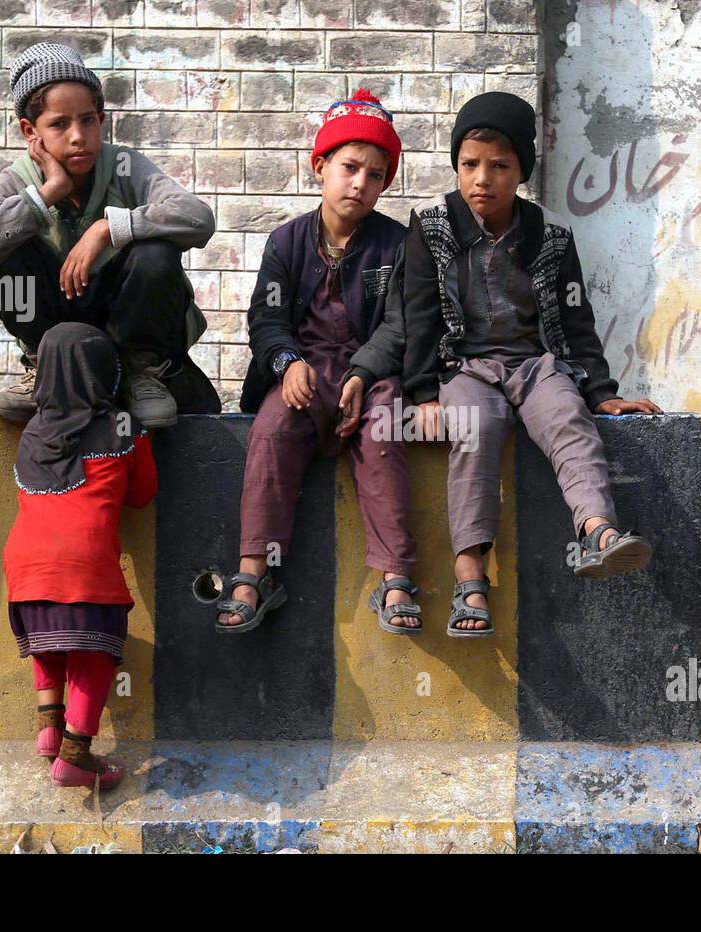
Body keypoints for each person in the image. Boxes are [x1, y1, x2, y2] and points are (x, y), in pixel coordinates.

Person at [401, 91, 662, 638]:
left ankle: (598, 532)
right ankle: (470, 577)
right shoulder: (430, 229)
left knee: (569, 419)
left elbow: (576, 321)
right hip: (463, 368)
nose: (483, 179)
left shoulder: (550, 237)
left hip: (534, 364)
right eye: (470, 164)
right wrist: (424, 392)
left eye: (500, 166)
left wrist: (600, 391)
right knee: (476, 431)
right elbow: (418, 315)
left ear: (522, 170)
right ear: (456, 165)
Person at [217, 89, 420, 635]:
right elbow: (266, 320)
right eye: (350, 167)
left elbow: (401, 325)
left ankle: (395, 577)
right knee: (273, 428)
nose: (360, 182)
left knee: (384, 430)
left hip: (369, 375)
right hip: (304, 376)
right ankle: (253, 574)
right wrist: (287, 363)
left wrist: (361, 373)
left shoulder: (398, 245)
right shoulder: (286, 242)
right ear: (320, 166)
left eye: (376, 175)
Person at [0, 42, 220, 428]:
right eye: (59, 124)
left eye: (88, 120)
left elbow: (198, 218)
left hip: (127, 319)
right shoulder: (20, 179)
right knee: (4, 253)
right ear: (30, 132)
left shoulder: (125, 167)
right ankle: (42, 367)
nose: (78, 136)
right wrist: (49, 192)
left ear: (101, 119)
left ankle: (142, 371)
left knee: (154, 252)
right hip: (58, 323)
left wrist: (109, 228)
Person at [2, 322, 157, 790]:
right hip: (85, 563)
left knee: (49, 636)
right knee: (93, 649)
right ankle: (75, 754)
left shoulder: (32, 432)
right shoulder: (124, 427)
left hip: (24, 563)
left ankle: (48, 729)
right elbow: (143, 495)